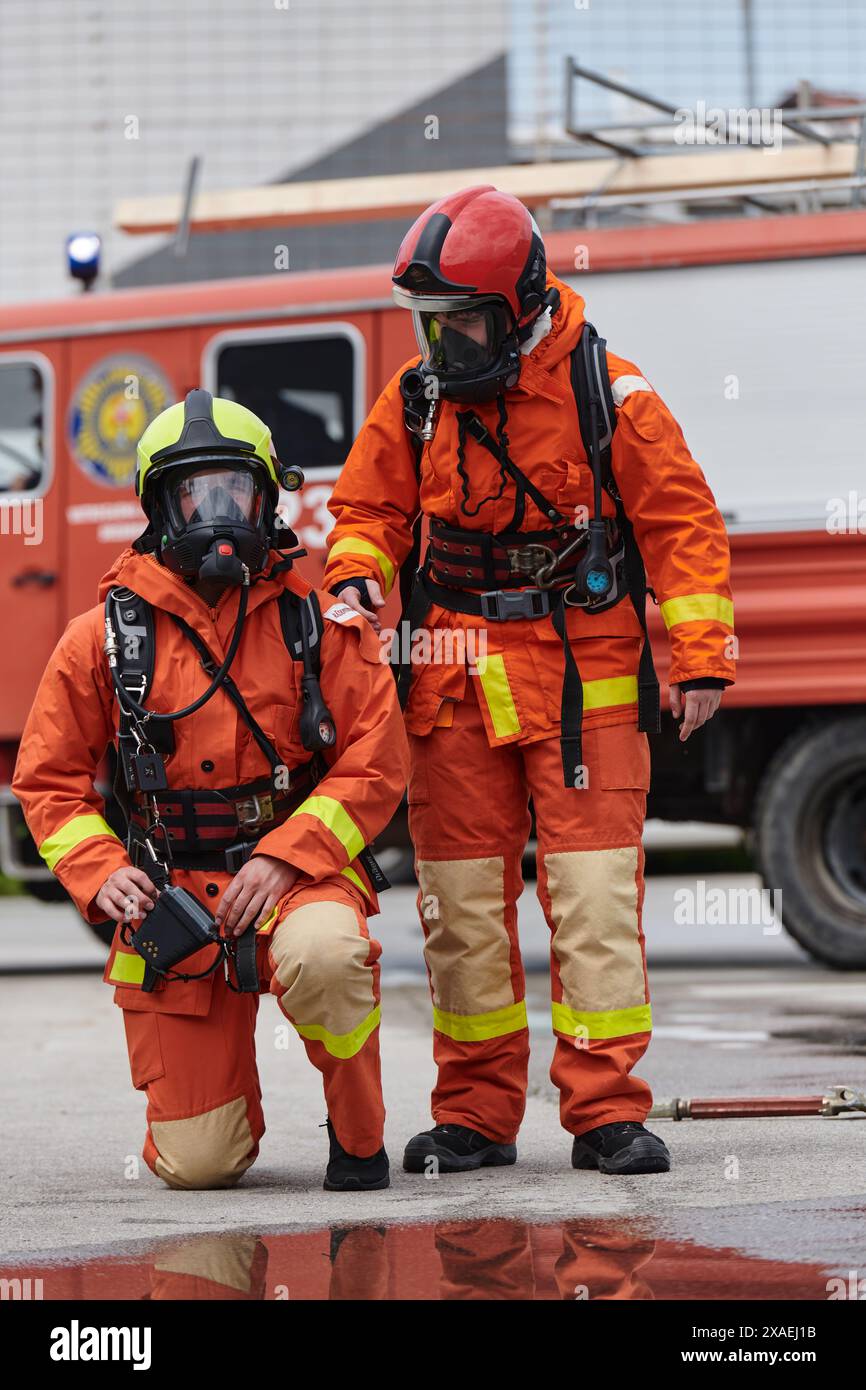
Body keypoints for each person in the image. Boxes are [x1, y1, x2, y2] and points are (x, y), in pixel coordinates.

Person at [323, 185, 735, 1177]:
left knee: (592, 906)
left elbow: (682, 532)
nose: (441, 343)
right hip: (452, 683)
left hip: (581, 685)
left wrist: (698, 659)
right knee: (460, 910)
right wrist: (353, 577)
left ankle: (603, 1113)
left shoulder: (609, 393)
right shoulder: (416, 400)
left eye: (459, 322)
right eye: (429, 324)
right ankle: (474, 1115)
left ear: (516, 307)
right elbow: (366, 509)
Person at [13, 389, 408, 1192]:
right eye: (197, 491)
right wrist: (99, 871)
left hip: (294, 885)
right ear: (161, 505)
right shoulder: (101, 638)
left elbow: (375, 762)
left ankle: (360, 1138)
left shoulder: (318, 626)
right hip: (174, 900)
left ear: (268, 498)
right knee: (199, 1167)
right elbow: (49, 781)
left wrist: (289, 858)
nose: (218, 510)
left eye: (236, 489)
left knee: (328, 955)